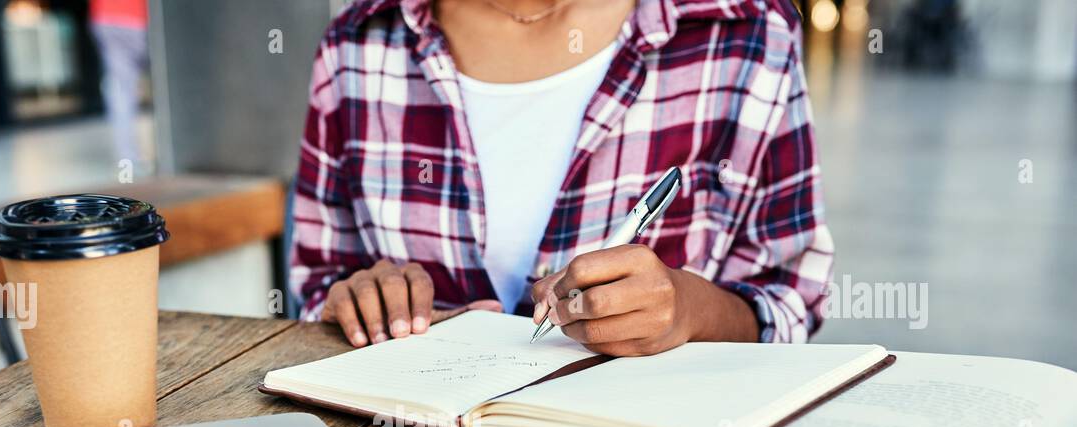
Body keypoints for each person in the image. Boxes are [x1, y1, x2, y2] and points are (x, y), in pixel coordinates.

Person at [289, 0, 834, 355]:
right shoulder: (356, 47)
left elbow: (789, 301)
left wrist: (691, 310)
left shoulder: (746, 36)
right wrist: (360, 303)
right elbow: (317, 286)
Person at [89, 0, 150, 169]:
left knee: (121, 92)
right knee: (169, 80)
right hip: (138, 18)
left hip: (106, 17)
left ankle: (128, 161)